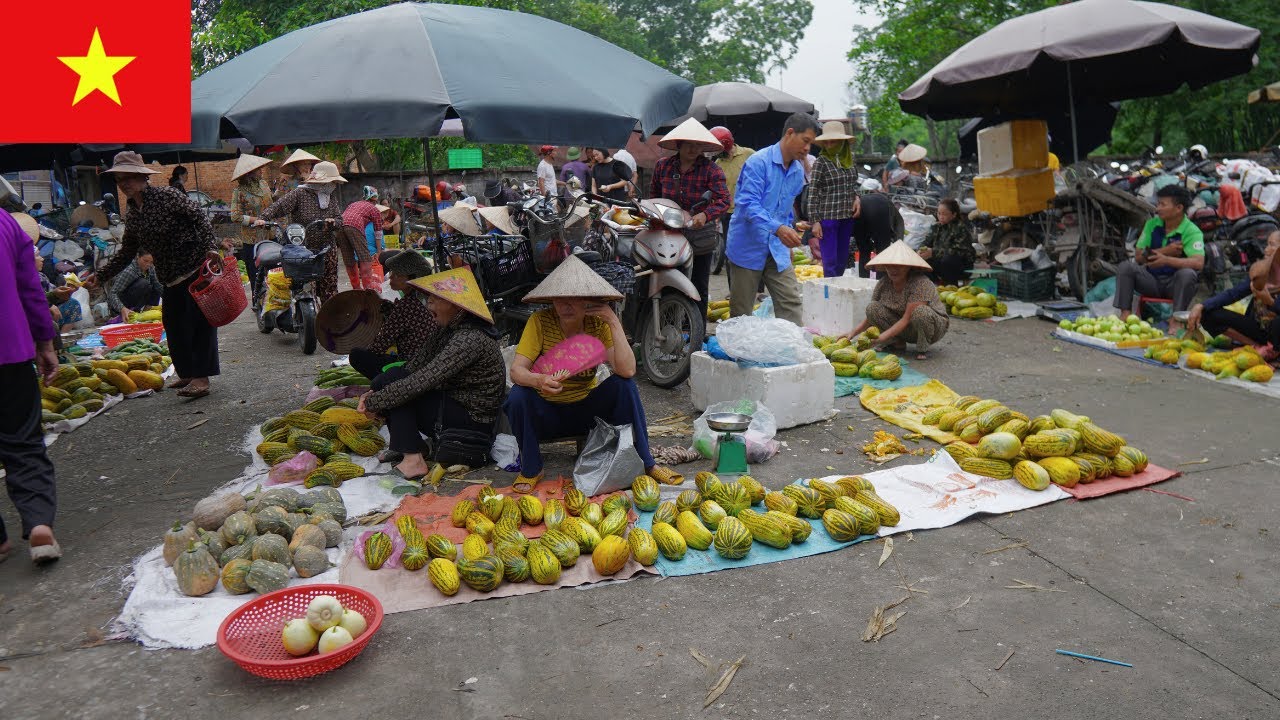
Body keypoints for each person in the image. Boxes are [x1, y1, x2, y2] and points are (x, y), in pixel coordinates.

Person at [503, 256, 683, 491]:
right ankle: (532, 468)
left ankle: (647, 462)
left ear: (588, 301)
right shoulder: (539, 321)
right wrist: (540, 380)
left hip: (587, 414)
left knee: (624, 385)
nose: (566, 306)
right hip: (547, 412)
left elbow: (627, 370)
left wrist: (613, 321)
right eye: (560, 299)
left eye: (574, 300)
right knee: (518, 395)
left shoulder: (598, 326)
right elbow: (517, 371)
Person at [90, 152, 222, 398]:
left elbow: (200, 218)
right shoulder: (133, 212)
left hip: (193, 268)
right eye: (120, 180)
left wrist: (210, 247)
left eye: (129, 177)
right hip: (169, 275)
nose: (125, 184)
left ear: (142, 178)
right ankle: (186, 374)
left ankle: (202, 379)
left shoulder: (168, 196)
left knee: (198, 326)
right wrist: (100, 275)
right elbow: (128, 249)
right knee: (174, 326)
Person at [359, 267, 505, 479]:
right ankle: (410, 446)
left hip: (473, 421)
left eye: (435, 300)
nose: (429, 305)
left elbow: (421, 381)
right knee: (388, 380)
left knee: (402, 390)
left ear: (455, 306)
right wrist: (374, 392)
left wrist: (374, 403)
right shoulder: (448, 330)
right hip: (452, 405)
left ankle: (413, 461)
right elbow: (413, 366)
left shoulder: (470, 339)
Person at [0, 210, 62, 564]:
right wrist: (45, 342)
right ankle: (39, 525)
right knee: (22, 440)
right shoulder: (6, 224)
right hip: (8, 349)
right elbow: (31, 288)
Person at [724, 112, 820, 325]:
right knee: (742, 312)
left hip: (777, 249)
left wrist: (788, 235)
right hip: (747, 246)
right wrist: (778, 229)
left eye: (811, 144)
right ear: (790, 133)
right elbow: (748, 205)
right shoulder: (758, 162)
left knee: (791, 302)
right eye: (805, 141)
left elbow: (785, 210)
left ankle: (793, 352)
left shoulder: (797, 171)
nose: (807, 149)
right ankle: (740, 355)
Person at [649, 119, 730, 316]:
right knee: (667, 281)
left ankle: (697, 335)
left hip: (700, 234)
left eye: (698, 145)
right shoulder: (663, 166)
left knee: (699, 285)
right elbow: (654, 196)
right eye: (689, 144)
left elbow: (723, 200)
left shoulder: (712, 170)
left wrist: (705, 214)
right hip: (668, 234)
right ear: (679, 144)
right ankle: (666, 326)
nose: (694, 149)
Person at [257, 161, 346, 304]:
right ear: (321, 182)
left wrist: (333, 222)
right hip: (303, 249)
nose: (333, 185)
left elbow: (340, 220)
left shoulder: (330, 196)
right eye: (331, 181)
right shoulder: (300, 193)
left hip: (327, 248)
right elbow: (279, 207)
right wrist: (263, 218)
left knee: (329, 289)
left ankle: (329, 319)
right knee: (306, 287)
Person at [1113, 184, 1204, 317]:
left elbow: (1198, 263)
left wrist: (1167, 260)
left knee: (1187, 274)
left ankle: (1177, 318)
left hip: (1175, 285)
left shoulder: (1191, 230)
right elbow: (1138, 256)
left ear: (1179, 208)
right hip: (1151, 281)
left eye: (1163, 204)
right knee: (1126, 267)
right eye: (1158, 204)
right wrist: (1166, 251)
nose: (1158, 208)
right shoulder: (1152, 224)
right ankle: (1125, 314)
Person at [848, 241, 949, 359]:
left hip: (932, 327)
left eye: (898, 266)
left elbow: (907, 318)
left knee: (921, 312)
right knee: (872, 308)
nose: (893, 270)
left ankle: (922, 348)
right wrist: (852, 334)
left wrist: (879, 339)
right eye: (889, 266)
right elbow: (870, 317)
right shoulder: (883, 283)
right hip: (904, 327)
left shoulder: (921, 283)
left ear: (908, 267)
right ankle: (896, 342)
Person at [1188, 230, 1280, 358]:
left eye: (1272, 245)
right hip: (1260, 329)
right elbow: (1233, 294)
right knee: (1209, 313)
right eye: (1267, 244)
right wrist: (1202, 305)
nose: (1266, 249)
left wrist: (1270, 302)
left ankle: (1274, 351)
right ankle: (1256, 347)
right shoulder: (1260, 274)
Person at [805, 121, 861, 280]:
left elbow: (853, 183)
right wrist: (815, 221)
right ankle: (829, 295)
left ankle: (838, 292)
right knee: (830, 262)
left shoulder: (850, 161)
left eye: (833, 141)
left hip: (846, 216)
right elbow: (813, 192)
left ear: (842, 142)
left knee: (842, 260)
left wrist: (857, 197)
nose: (829, 145)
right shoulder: (821, 162)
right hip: (828, 218)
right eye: (827, 142)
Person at [228, 153, 274, 296]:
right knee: (256, 276)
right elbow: (235, 216)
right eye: (258, 169)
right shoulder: (239, 191)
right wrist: (255, 220)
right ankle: (258, 303)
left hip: (270, 235)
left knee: (274, 273)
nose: (261, 171)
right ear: (249, 173)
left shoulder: (264, 185)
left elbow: (271, 204)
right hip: (252, 239)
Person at [918, 198, 975, 285]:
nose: (941, 216)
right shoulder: (936, 227)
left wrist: (933, 252)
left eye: (944, 214)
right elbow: (926, 242)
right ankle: (935, 284)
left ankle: (951, 285)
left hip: (961, 266)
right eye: (939, 213)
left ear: (953, 215)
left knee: (947, 259)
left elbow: (958, 252)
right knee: (920, 261)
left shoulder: (960, 228)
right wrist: (920, 251)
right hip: (941, 262)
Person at [851, 183, 905, 277]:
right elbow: (898, 232)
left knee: (864, 251)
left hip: (861, 213)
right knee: (882, 252)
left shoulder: (880, 202)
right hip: (876, 210)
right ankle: (881, 285)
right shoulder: (888, 206)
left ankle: (864, 283)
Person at [711, 126, 755, 243]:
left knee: (748, 242)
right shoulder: (717, 163)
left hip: (748, 209)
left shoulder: (748, 154)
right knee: (729, 243)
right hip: (728, 212)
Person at [338, 186, 383, 291]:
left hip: (339, 226)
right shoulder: (374, 209)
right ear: (374, 199)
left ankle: (356, 288)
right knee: (365, 258)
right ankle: (368, 289)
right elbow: (378, 232)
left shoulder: (353, 204)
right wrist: (379, 251)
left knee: (349, 259)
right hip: (354, 226)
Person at [105, 251, 163, 320]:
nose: (148, 265)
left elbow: (159, 287)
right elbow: (112, 294)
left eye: (151, 262)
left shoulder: (151, 268)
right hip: (122, 304)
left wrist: (172, 300)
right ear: (138, 256)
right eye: (145, 261)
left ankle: (147, 310)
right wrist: (122, 308)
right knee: (144, 283)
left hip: (136, 301)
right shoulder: (129, 271)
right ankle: (127, 312)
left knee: (156, 285)